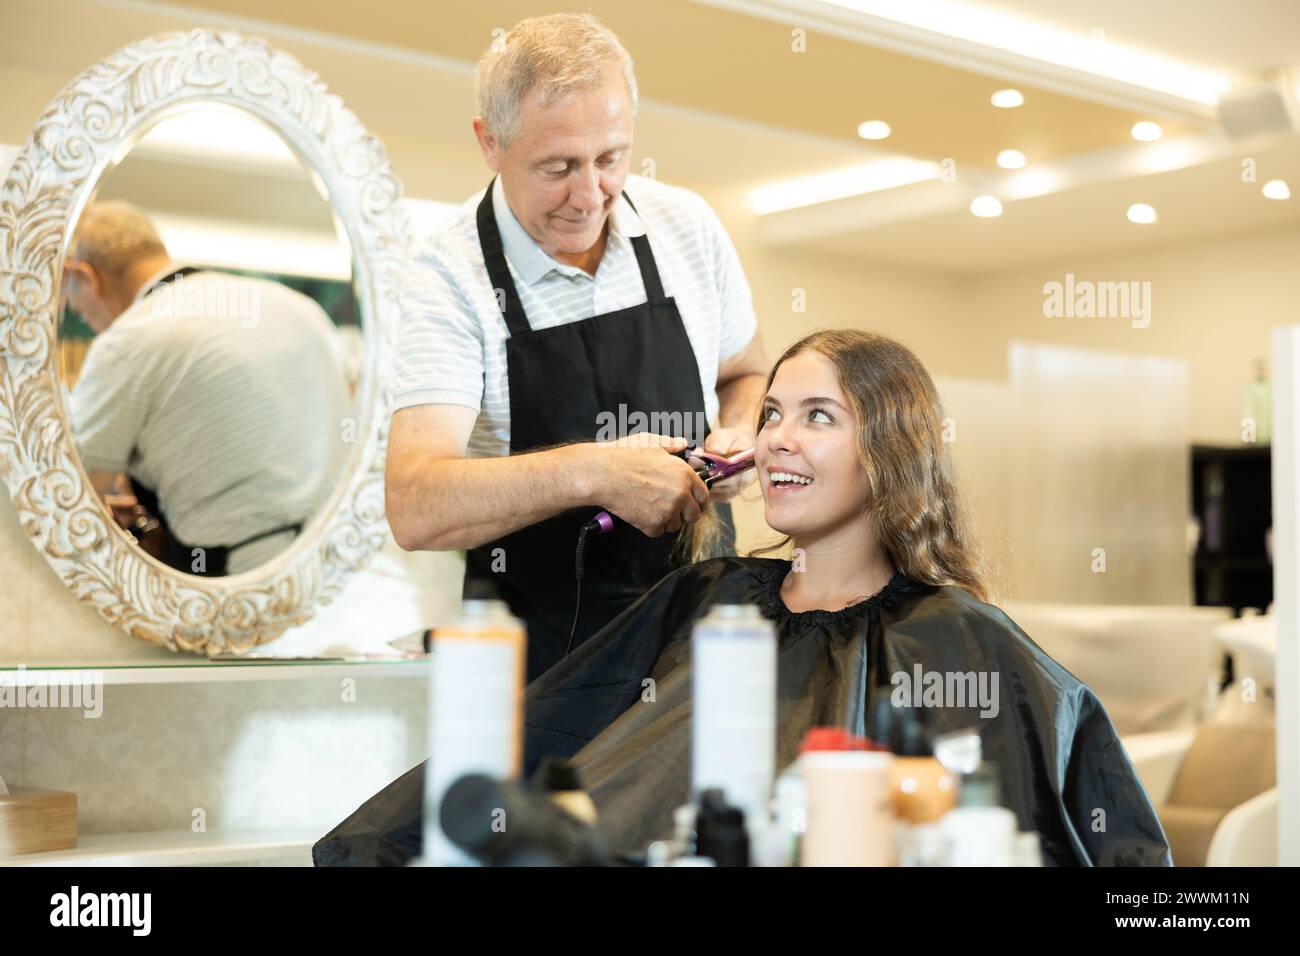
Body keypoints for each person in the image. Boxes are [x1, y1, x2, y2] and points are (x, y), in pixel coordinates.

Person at [315, 328, 1172, 867]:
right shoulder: (708, 599)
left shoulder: (963, 642)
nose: (777, 438)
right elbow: (560, 744)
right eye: (770, 413)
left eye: (818, 416)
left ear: (893, 451)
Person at [386, 13, 769, 681]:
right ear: (490, 142)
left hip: (697, 647)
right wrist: (596, 474)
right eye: (558, 167)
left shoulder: (688, 226)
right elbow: (416, 503)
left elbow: (747, 371)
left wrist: (739, 434)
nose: (590, 196)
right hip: (542, 670)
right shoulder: (446, 275)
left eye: (611, 159)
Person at [65, 200, 350, 576]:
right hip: (341, 571)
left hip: (231, 585)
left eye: (77, 307)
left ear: (84, 277)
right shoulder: (302, 309)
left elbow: (67, 495)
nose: (82, 317)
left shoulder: (131, 339)